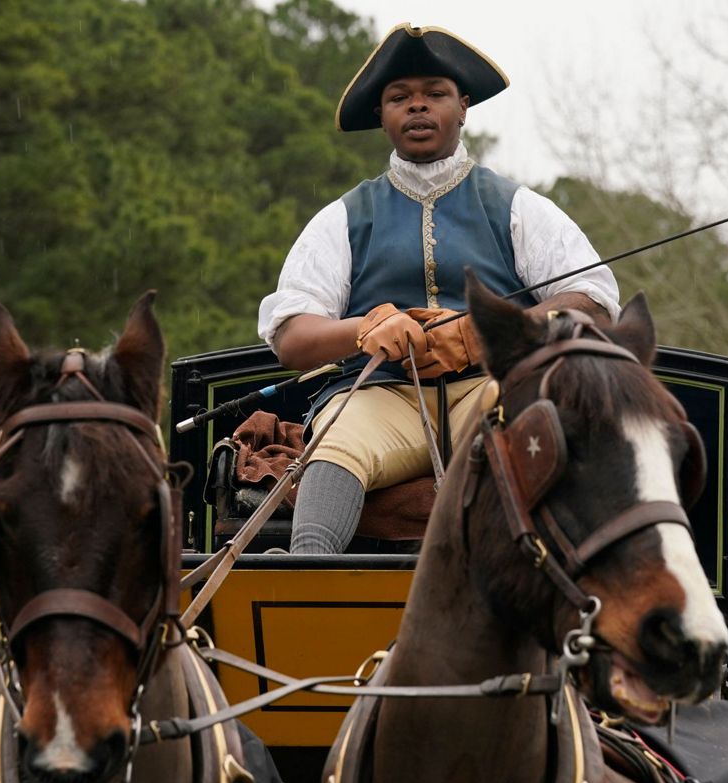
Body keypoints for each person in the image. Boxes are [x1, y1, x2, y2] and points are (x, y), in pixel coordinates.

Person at [257, 23, 620, 554]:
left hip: (492, 388)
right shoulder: (343, 218)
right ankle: (308, 575)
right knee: (338, 439)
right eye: (399, 97)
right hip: (382, 396)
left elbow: (594, 304)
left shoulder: (519, 207)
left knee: (536, 428)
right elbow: (292, 337)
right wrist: (366, 328)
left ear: (463, 107)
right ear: (381, 115)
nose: (417, 106)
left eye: (435, 94)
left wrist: (485, 334)